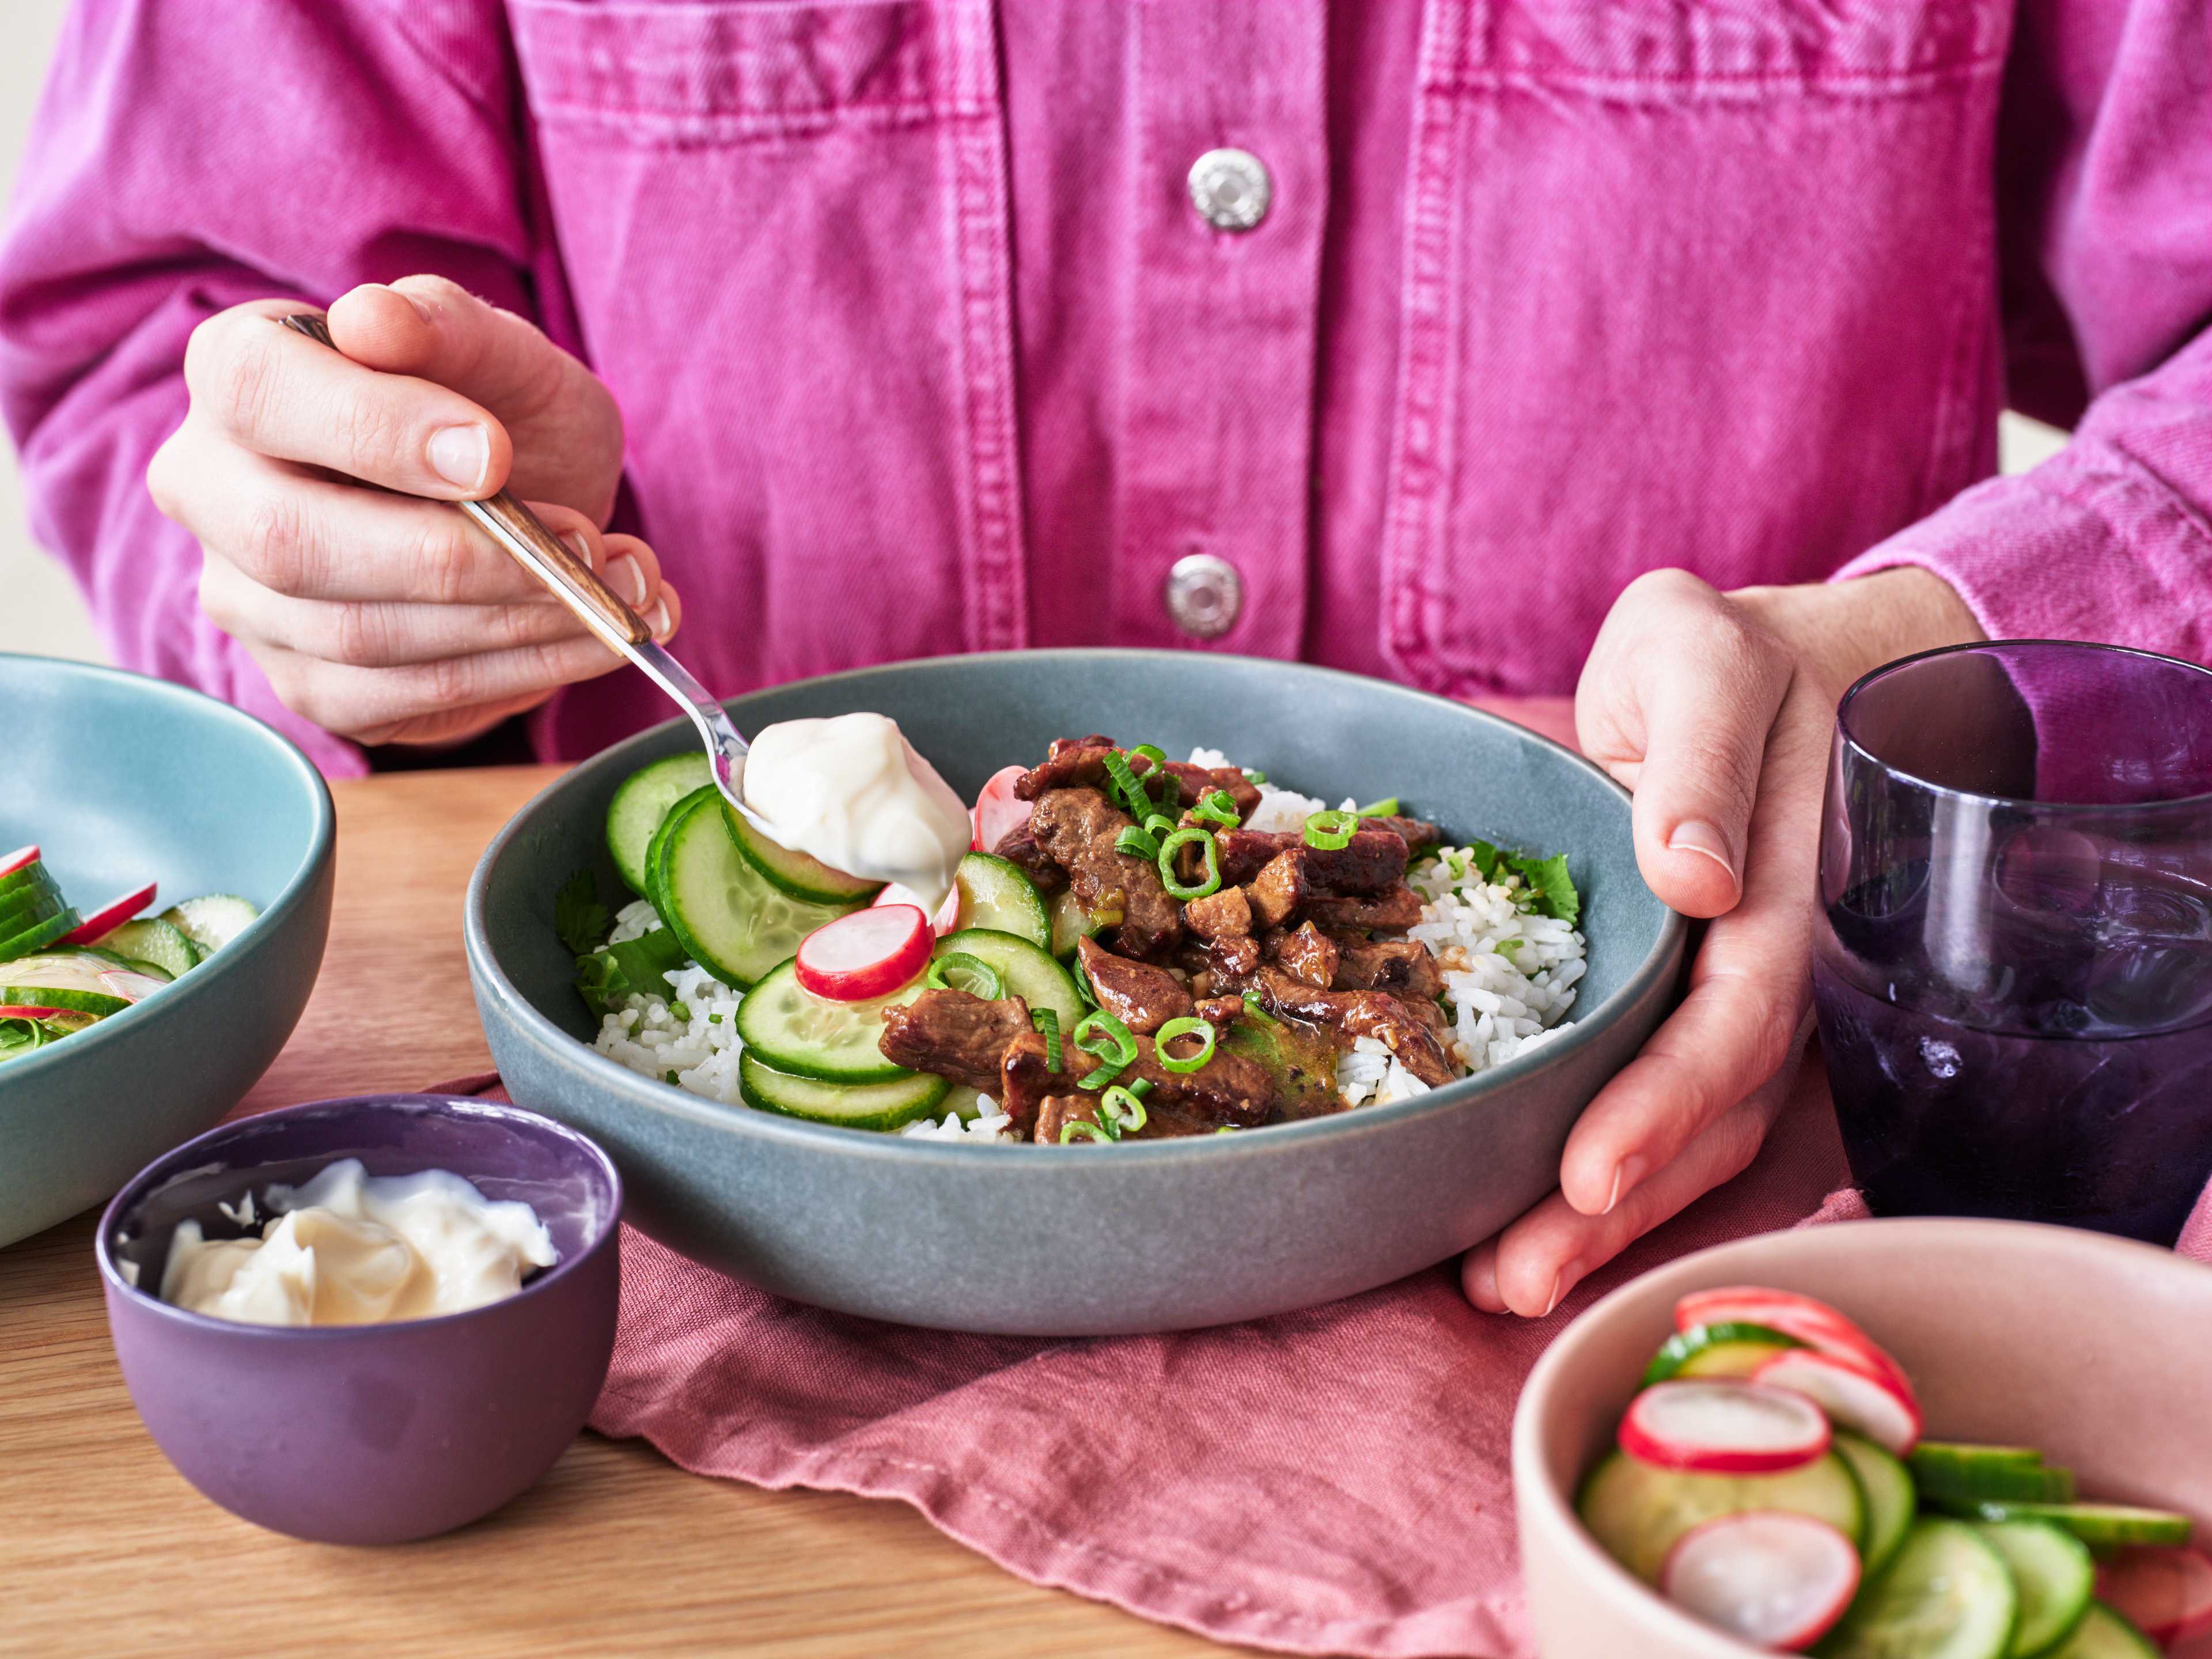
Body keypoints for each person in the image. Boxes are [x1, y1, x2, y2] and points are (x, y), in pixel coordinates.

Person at [3, 1, 2206, 1319]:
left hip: (1746, 1200)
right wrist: (362, 558)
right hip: (656, 1268)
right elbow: (149, 327)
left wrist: (1931, 660)